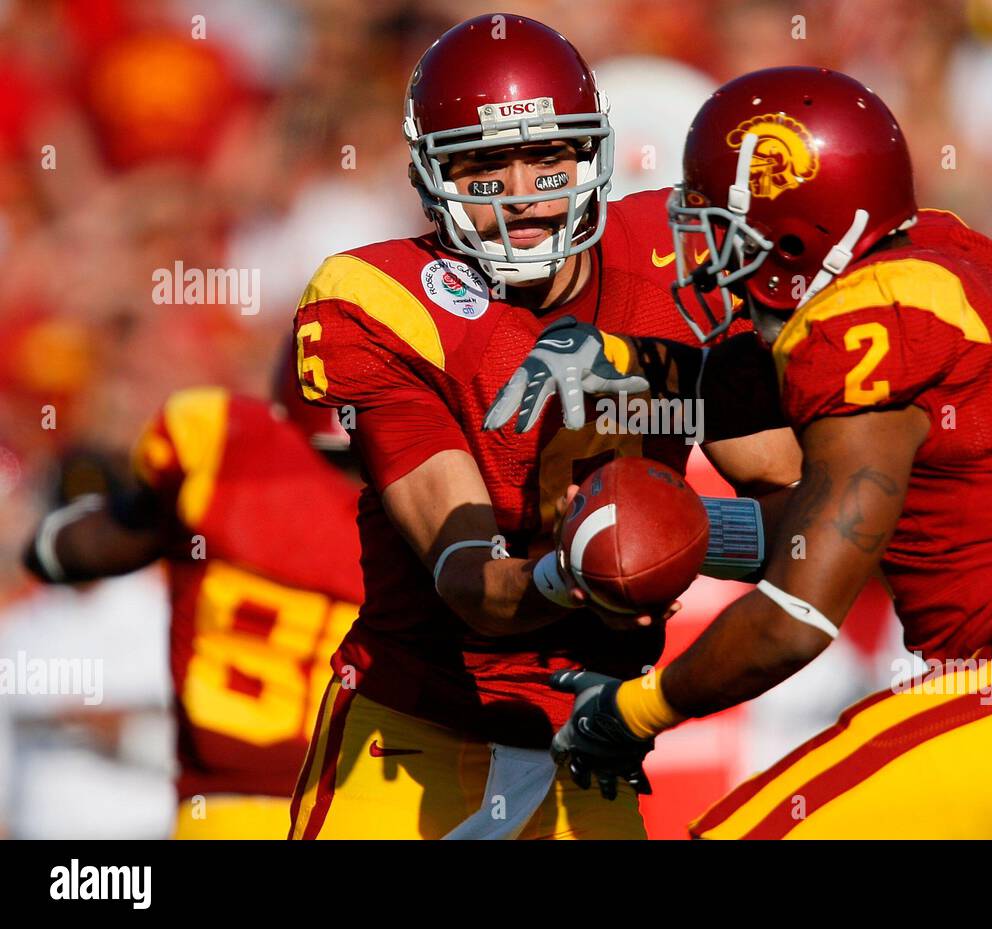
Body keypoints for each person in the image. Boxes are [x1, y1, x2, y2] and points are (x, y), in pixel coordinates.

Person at [490, 67, 992, 839]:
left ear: (795, 232)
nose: (707, 254)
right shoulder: (957, 254)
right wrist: (686, 524)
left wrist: (635, 710)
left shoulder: (868, 319)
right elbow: (835, 531)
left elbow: (796, 617)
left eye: (723, 227)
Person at [287, 15, 798, 840]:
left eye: (547, 158)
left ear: (592, 156)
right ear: (431, 173)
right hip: (414, 740)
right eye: (484, 165)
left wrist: (671, 523)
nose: (521, 189)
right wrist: (579, 565)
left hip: (587, 748)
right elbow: (470, 575)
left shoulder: (675, 259)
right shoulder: (378, 299)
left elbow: (793, 512)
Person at [23, 343, 362, 838]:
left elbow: (100, 541)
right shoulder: (421, 512)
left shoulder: (223, 444)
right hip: (359, 816)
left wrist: (49, 545)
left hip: (225, 815)